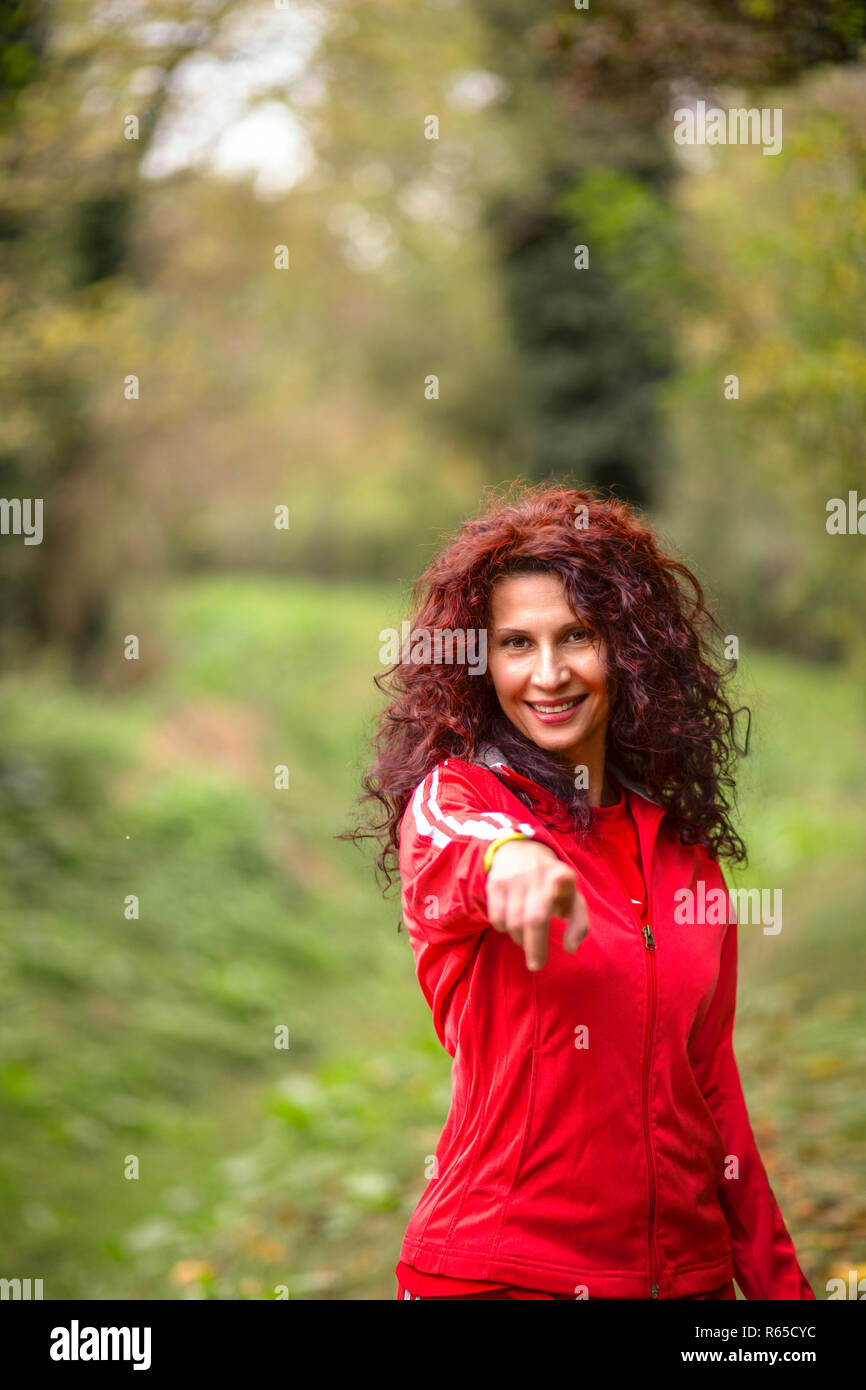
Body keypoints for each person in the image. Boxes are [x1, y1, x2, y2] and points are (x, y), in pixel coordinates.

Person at [349, 484, 815, 1301]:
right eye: (516, 645)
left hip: (688, 1284)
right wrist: (514, 860)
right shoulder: (460, 802)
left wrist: (782, 1295)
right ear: (481, 663)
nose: (550, 673)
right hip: (504, 1274)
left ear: (627, 649)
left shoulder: (685, 858)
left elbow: (712, 1096)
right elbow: (458, 845)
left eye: (577, 637)